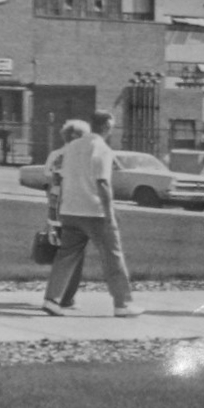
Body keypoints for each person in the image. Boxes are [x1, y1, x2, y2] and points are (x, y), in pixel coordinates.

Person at [41, 110, 141, 318]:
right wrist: (109, 211)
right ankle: (122, 303)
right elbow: (102, 183)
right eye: (111, 127)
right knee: (113, 256)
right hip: (94, 211)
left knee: (66, 256)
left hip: (69, 209)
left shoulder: (72, 147)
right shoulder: (102, 148)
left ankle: (52, 299)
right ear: (105, 127)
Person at [39, 120, 90, 311]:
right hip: (76, 208)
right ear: (77, 137)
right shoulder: (81, 156)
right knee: (76, 253)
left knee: (63, 253)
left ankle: (58, 293)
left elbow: (49, 180)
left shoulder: (55, 155)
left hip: (56, 209)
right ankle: (67, 297)